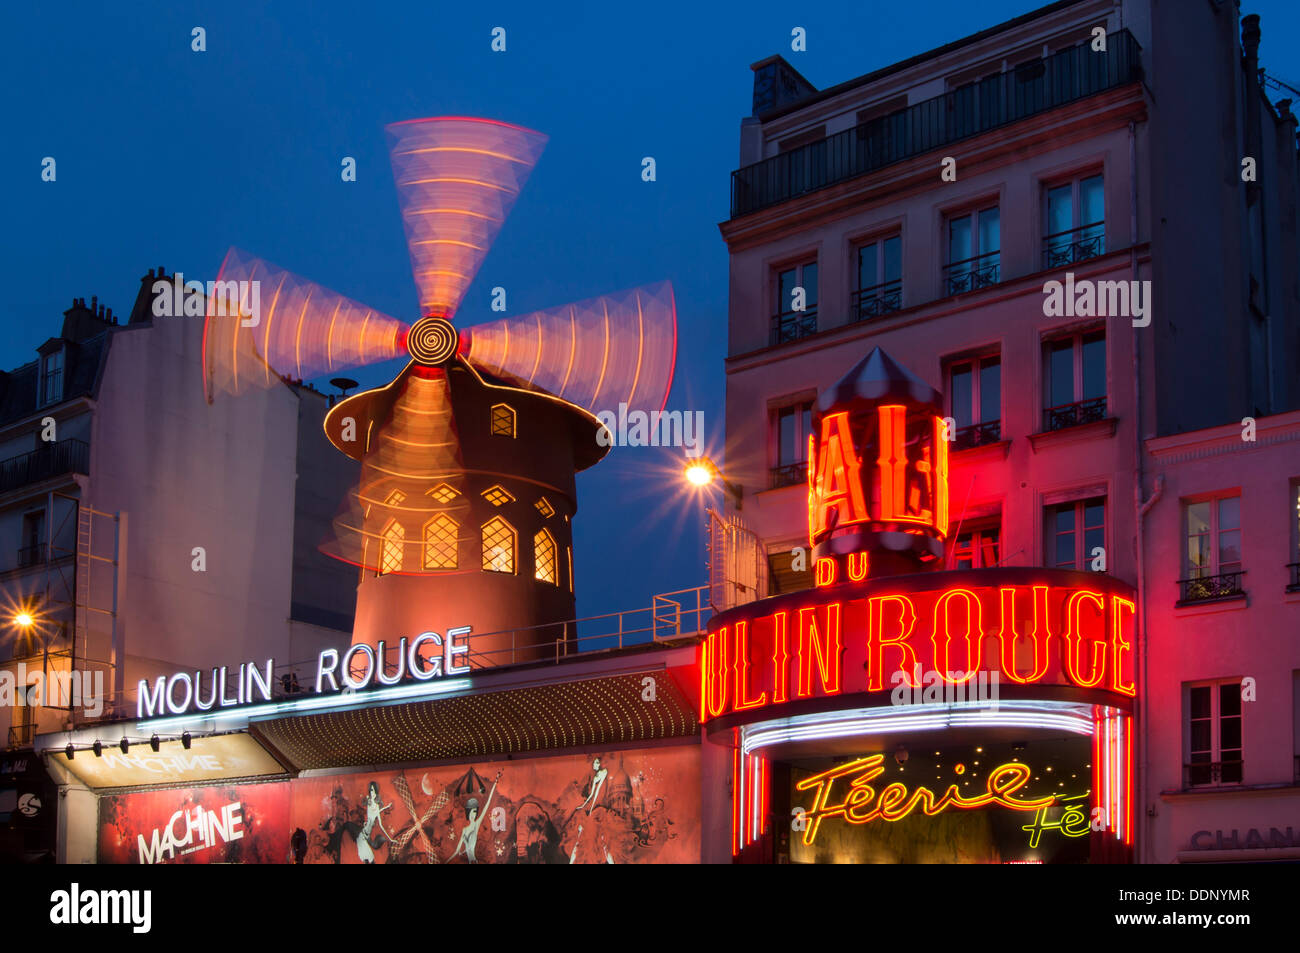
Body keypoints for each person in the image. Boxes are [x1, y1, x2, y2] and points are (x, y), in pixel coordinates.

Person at [450, 772, 499, 863]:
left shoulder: (476, 825)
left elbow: (487, 804)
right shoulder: (464, 830)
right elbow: (456, 851)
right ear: (468, 813)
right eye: (471, 812)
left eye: (475, 812)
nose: (473, 815)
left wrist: (495, 783)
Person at [356, 781, 392, 864]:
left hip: (365, 836)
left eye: (374, 790)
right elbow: (363, 803)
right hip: (363, 834)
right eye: (371, 790)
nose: (372, 792)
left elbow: (381, 826)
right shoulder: (369, 803)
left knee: (369, 857)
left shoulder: (377, 810)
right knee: (367, 856)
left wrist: (391, 839)